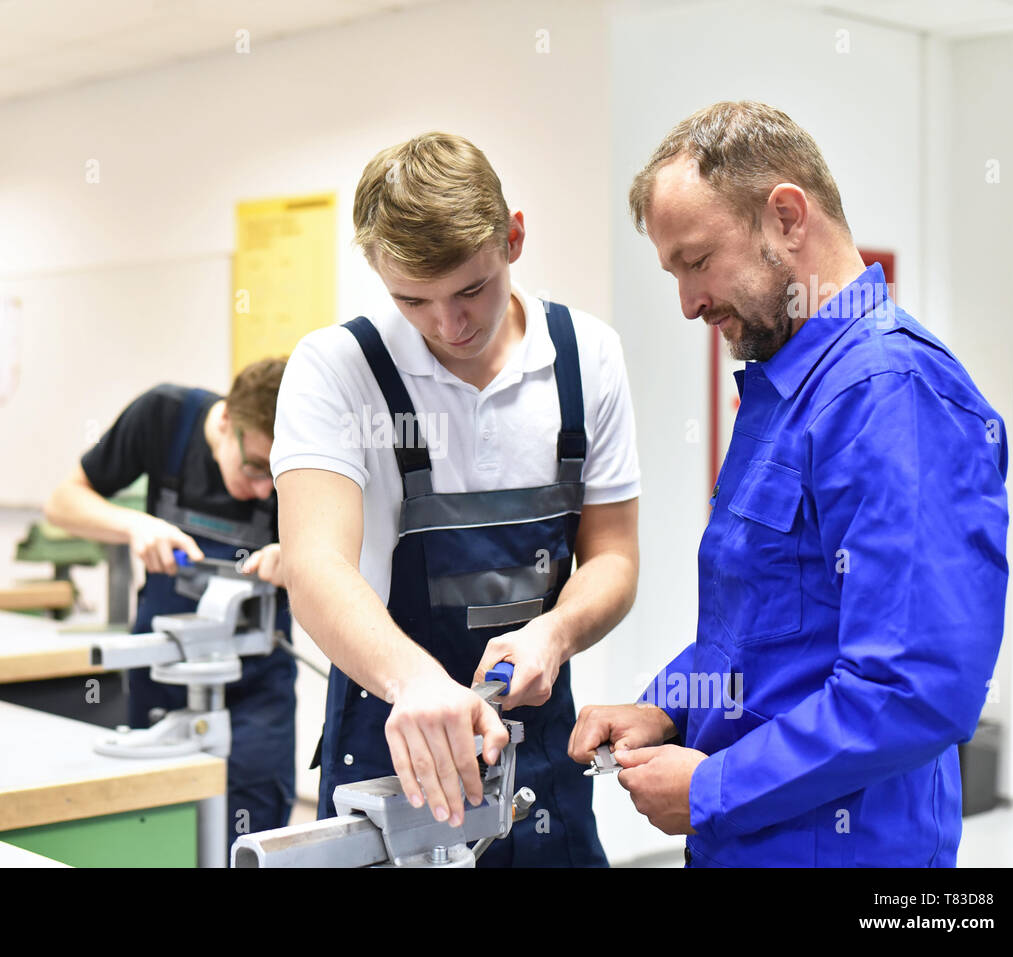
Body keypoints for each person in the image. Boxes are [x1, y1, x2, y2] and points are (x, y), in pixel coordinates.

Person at [569, 101, 1009, 867]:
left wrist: (710, 790)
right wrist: (665, 705)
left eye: (697, 261)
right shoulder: (787, 393)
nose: (688, 303)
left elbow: (911, 687)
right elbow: (767, 634)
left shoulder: (892, 393)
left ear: (786, 216)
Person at [271, 132, 641, 866]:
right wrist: (415, 682)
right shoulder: (336, 370)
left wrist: (556, 633)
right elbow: (314, 569)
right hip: (390, 742)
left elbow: (614, 557)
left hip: (539, 753)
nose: (450, 324)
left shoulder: (588, 357)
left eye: (471, 289)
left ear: (514, 237)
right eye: (413, 299)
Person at [44, 358, 297, 852]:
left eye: (276, 475)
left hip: (257, 686)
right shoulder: (164, 417)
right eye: (253, 469)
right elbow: (62, 502)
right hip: (163, 668)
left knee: (255, 838)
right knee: (158, 826)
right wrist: (134, 526)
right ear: (226, 420)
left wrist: (300, 555)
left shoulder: (298, 453)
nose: (265, 490)